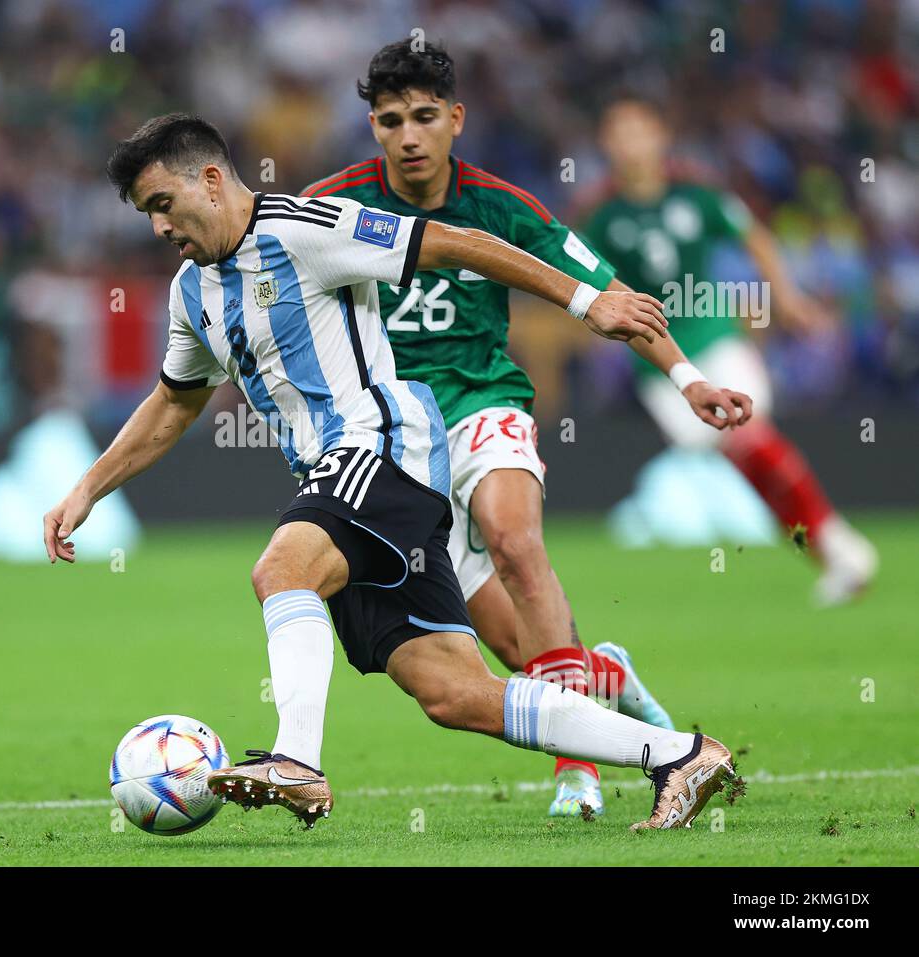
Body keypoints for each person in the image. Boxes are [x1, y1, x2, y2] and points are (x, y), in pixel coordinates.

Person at [43, 113, 745, 831]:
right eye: (146, 214)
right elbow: (172, 404)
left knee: (282, 569)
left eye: (163, 204)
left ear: (213, 180)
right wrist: (86, 489)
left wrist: (584, 299)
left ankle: (296, 761)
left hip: (383, 447)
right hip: (342, 476)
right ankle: (680, 753)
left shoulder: (305, 229)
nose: (159, 227)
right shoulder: (192, 293)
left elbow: (458, 242)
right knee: (453, 691)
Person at [304, 42, 753, 815]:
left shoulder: (504, 208)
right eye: (388, 122)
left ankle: (573, 774)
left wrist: (689, 378)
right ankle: (604, 671)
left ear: (455, 119)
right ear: (371, 127)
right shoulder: (334, 207)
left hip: (486, 403)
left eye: (422, 118)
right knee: (515, 652)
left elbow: (608, 293)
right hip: (395, 442)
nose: (407, 136)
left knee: (514, 537)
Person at [582, 97, 877, 606]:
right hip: (660, 366)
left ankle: (837, 547)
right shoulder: (601, 217)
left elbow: (754, 236)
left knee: (750, 440)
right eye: (619, 132)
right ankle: (835, 552)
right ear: (605, 144)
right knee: (748, 459)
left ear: (660, 136)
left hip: (718, 338)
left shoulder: (697, 194)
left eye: (639, 130)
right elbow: (584, 282)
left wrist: (786, 299)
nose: (630, 142)